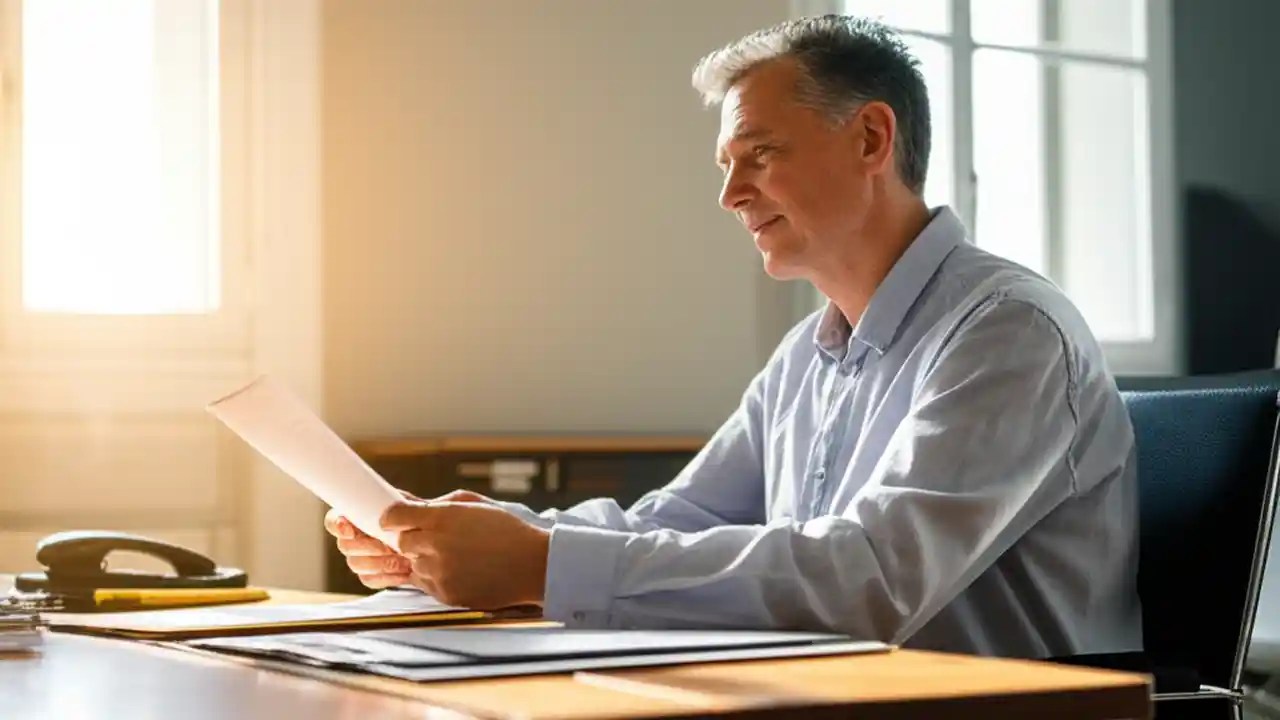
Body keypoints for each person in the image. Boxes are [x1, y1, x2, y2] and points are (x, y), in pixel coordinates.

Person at [325, 15, 1142, 659]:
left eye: (760, 154)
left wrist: (539, 565)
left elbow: (872, 580)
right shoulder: (806, 358)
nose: (730, 196)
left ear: (870, 139)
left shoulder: (1009, 334)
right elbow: (672, 521)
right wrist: (480, 541)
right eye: (725, 163)